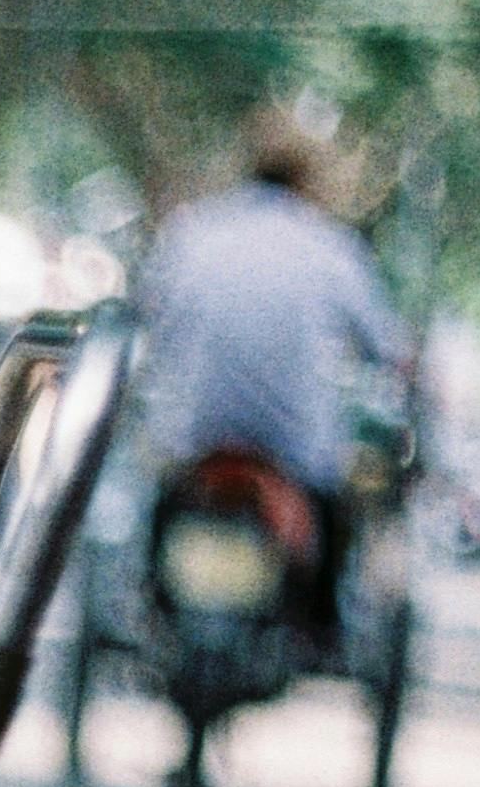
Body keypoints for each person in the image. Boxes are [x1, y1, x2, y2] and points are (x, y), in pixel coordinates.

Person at [126, 106, 412, 635]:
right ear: (311, 178)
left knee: (162, 498)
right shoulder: (332, 247)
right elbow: (385, 348)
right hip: (293, 448)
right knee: (333, 512)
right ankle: (322, 624)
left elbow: (147, 318)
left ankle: (148, 602)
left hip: (195, 435)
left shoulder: (194, 234)